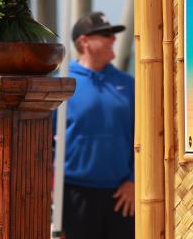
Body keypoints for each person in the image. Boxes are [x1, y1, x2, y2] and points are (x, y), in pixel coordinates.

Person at [64, 12, 134, 239]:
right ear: (84, 41)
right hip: (74, 195)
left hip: (123, 196)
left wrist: (135, 180)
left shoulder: (129, 84)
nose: (113, 39)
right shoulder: (61, 84)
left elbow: (145, 138)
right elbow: (44, 142)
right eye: (106, 34)